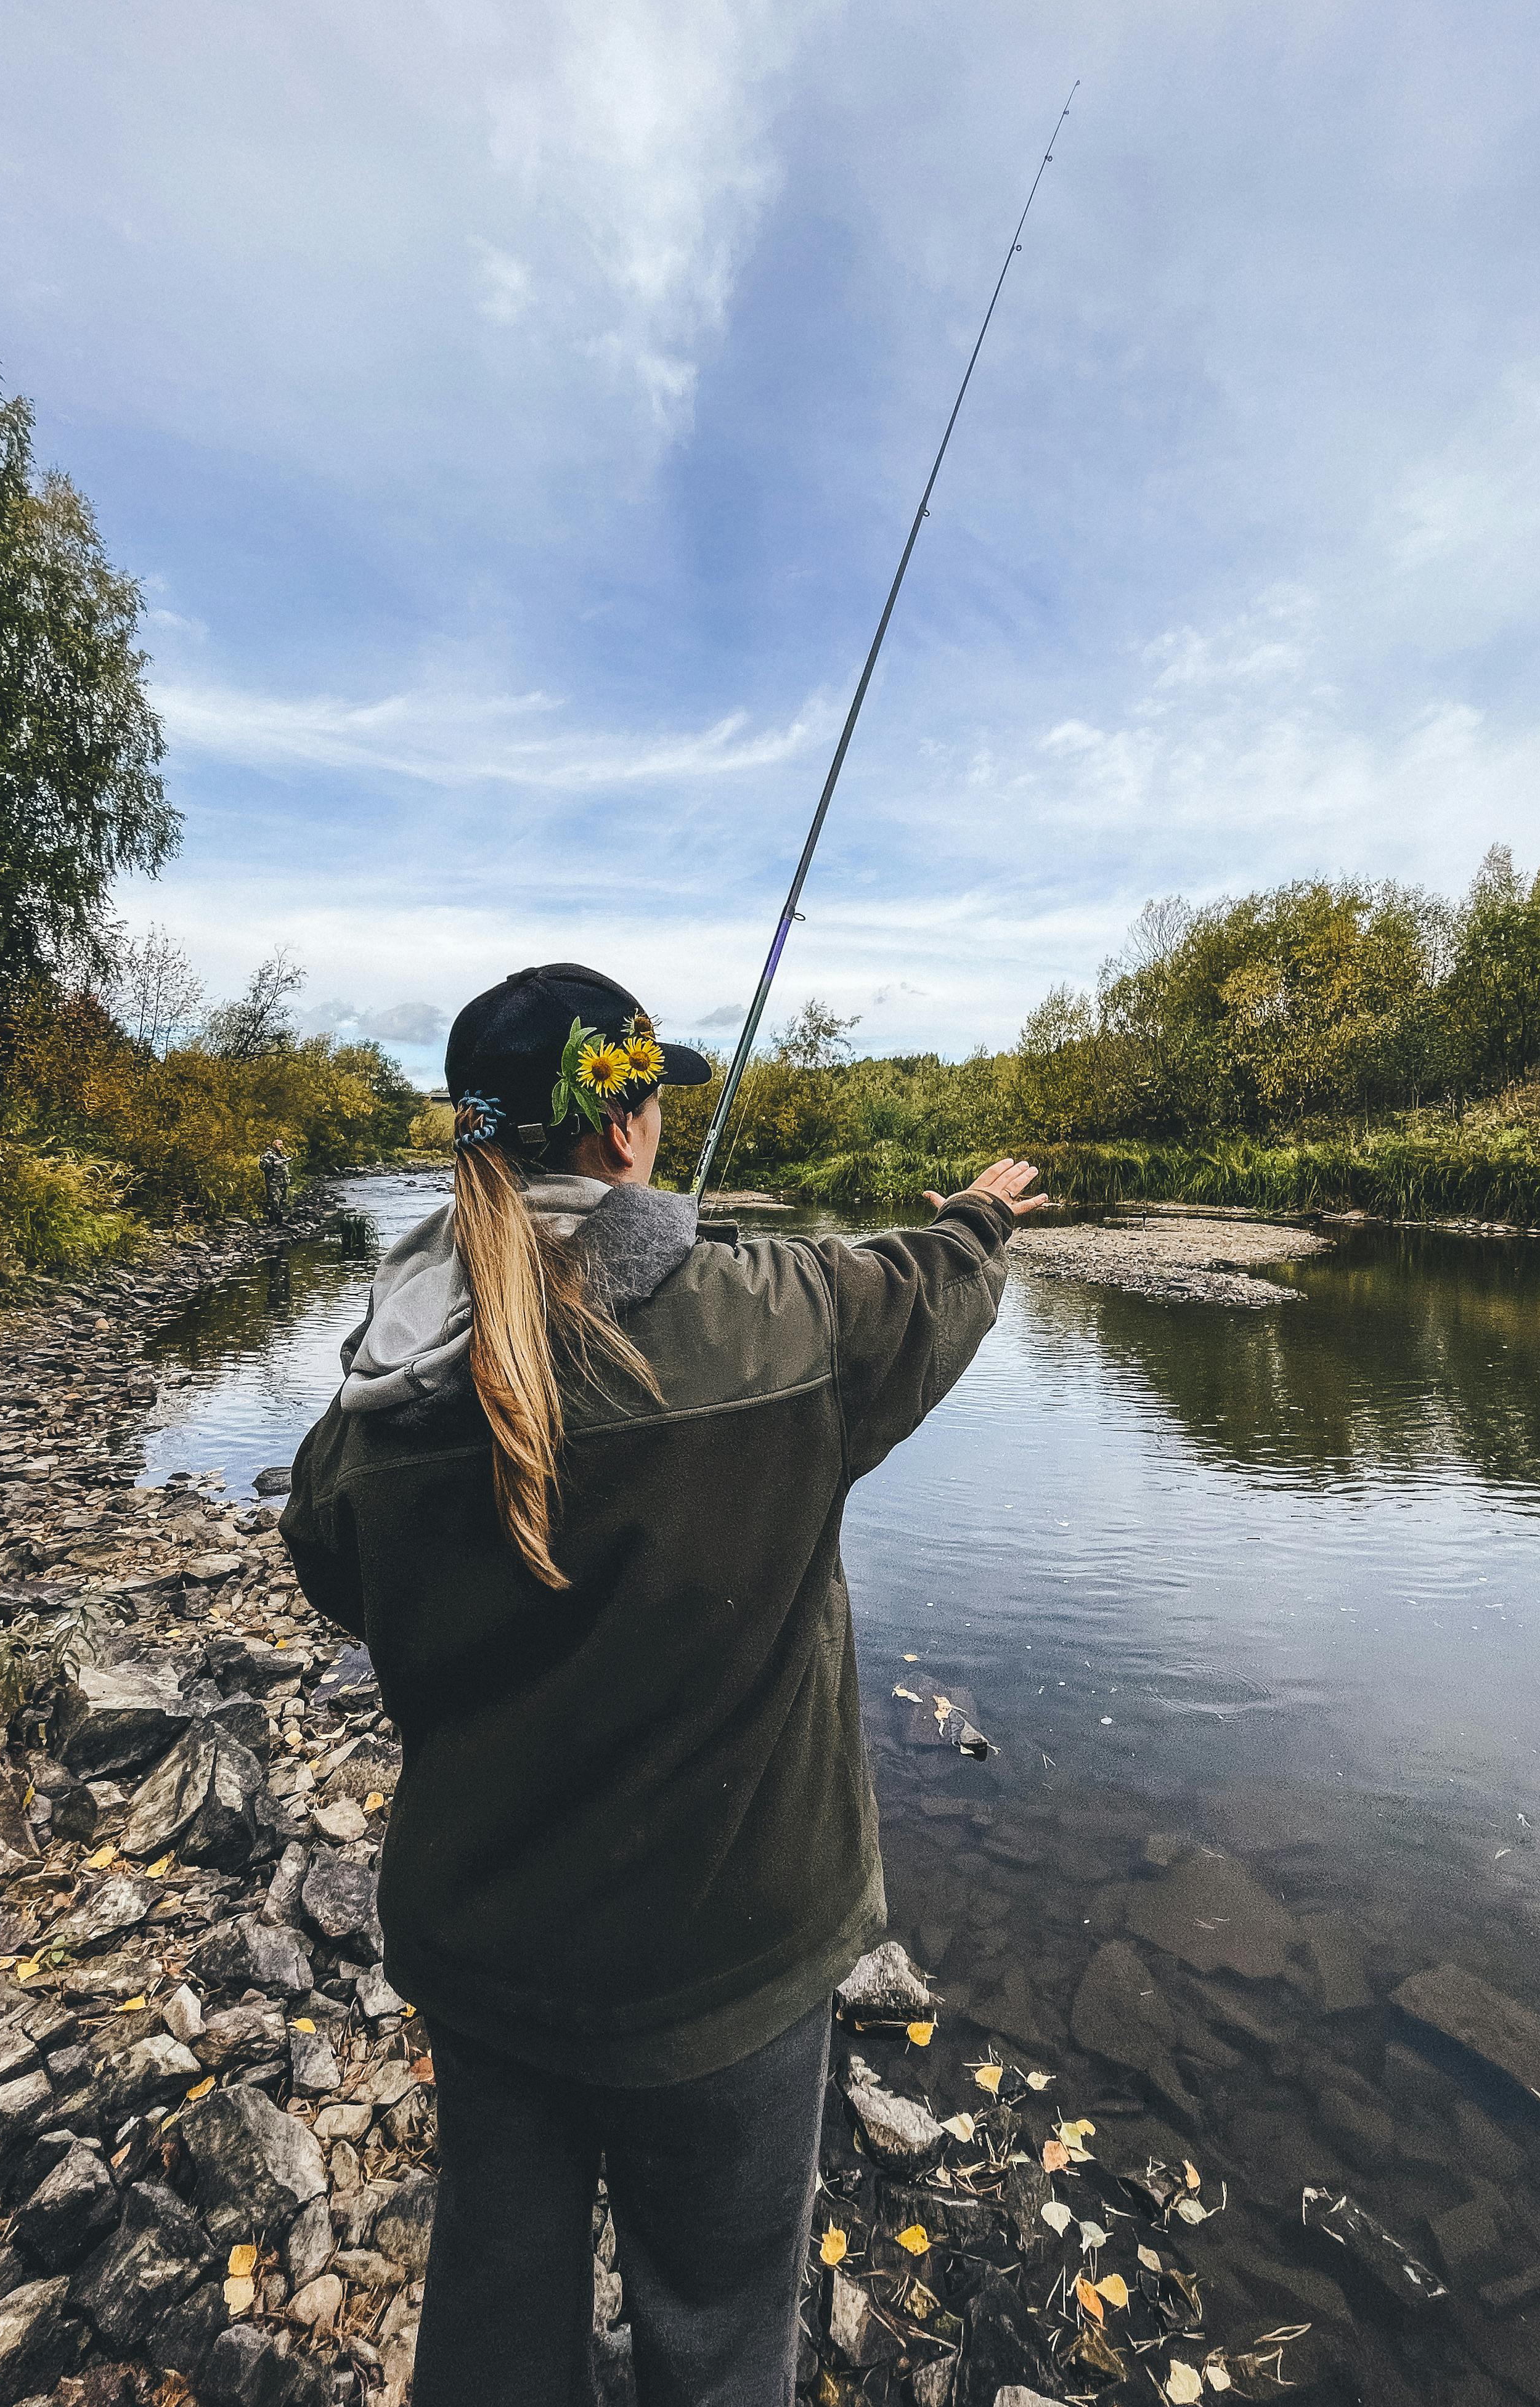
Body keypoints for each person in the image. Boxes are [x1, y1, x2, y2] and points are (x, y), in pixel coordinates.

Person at [279, 961, 1045, 2406]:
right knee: (715, 2329)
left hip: (488, 1957)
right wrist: (977, 1218)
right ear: (622, 1128)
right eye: (646, 1095)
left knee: (498, 2319)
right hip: (729, 1972)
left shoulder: (377, 1399)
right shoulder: (778, 1324)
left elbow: (334, 1565)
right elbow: (916, 1297)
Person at [259, 1135, 290, 1223]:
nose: (282, 1146)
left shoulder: (281, 1154)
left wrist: (286, 1160)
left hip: (283, 1182)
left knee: (282, 1202)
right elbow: (262, 1166)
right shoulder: (267, 1155)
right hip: (273, 1183)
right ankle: (275, 1223)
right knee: (274, 1202)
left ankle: (279, 1223)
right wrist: (273, 1164)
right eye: (280, 1144)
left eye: (282, 1144)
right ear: (274, 1145)